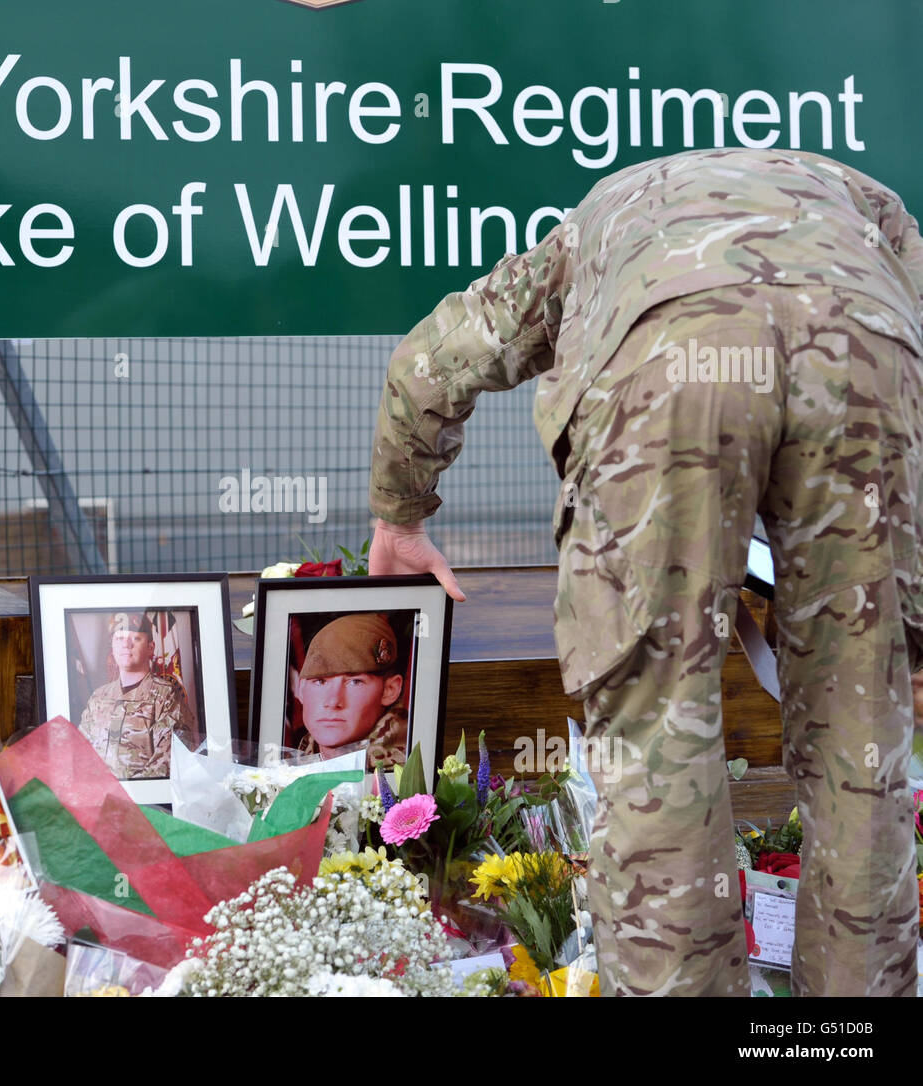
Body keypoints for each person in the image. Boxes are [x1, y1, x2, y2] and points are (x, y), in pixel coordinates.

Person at [367, 147, 922, 997]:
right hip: (864, 351)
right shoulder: (864, 202)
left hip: (671, 359)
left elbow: (427, 366)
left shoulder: (595, 226)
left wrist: (401, 515)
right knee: (862, 734)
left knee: (659, 732)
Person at [78, 611, 200, 779]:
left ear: (151, 648)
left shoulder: (166, 696)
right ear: (112, 646)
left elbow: (171, 761)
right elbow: (79, 754)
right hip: (97, 797)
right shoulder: (99, 697)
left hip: (146, 801)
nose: (126, 645)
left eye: (136, 638)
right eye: (119, 639)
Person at [291, 612, 408, 768]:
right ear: (301, 689)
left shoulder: (408, 775)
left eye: (355, 682)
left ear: (390, 690)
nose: (333, 701)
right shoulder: (291, 766)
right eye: (320, 681)